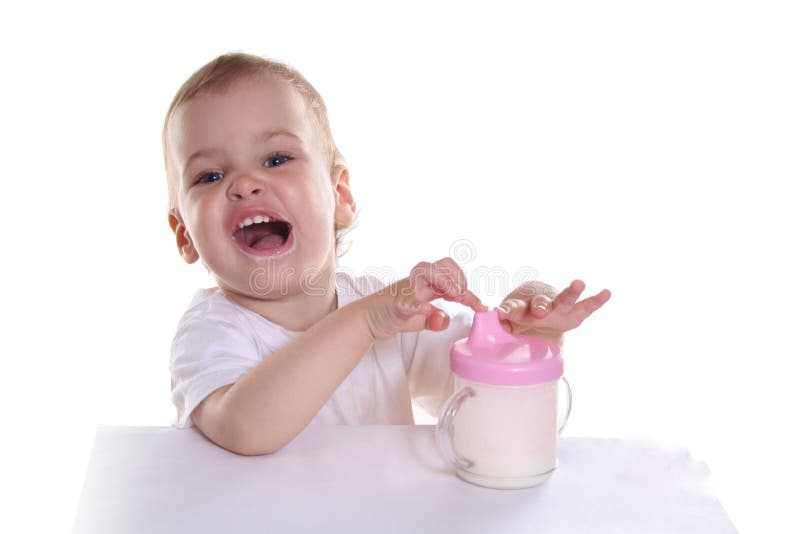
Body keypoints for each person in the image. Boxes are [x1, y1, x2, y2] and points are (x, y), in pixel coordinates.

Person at [163, 52, 611, 456]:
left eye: (276, 159)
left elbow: (484, 411)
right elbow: (246, 428)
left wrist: (530, 338)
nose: (244, 183)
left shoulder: (382, 310)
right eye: (210, 176)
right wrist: (365, 322)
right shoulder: (210, 333)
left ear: (339, 194)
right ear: (184, 234)